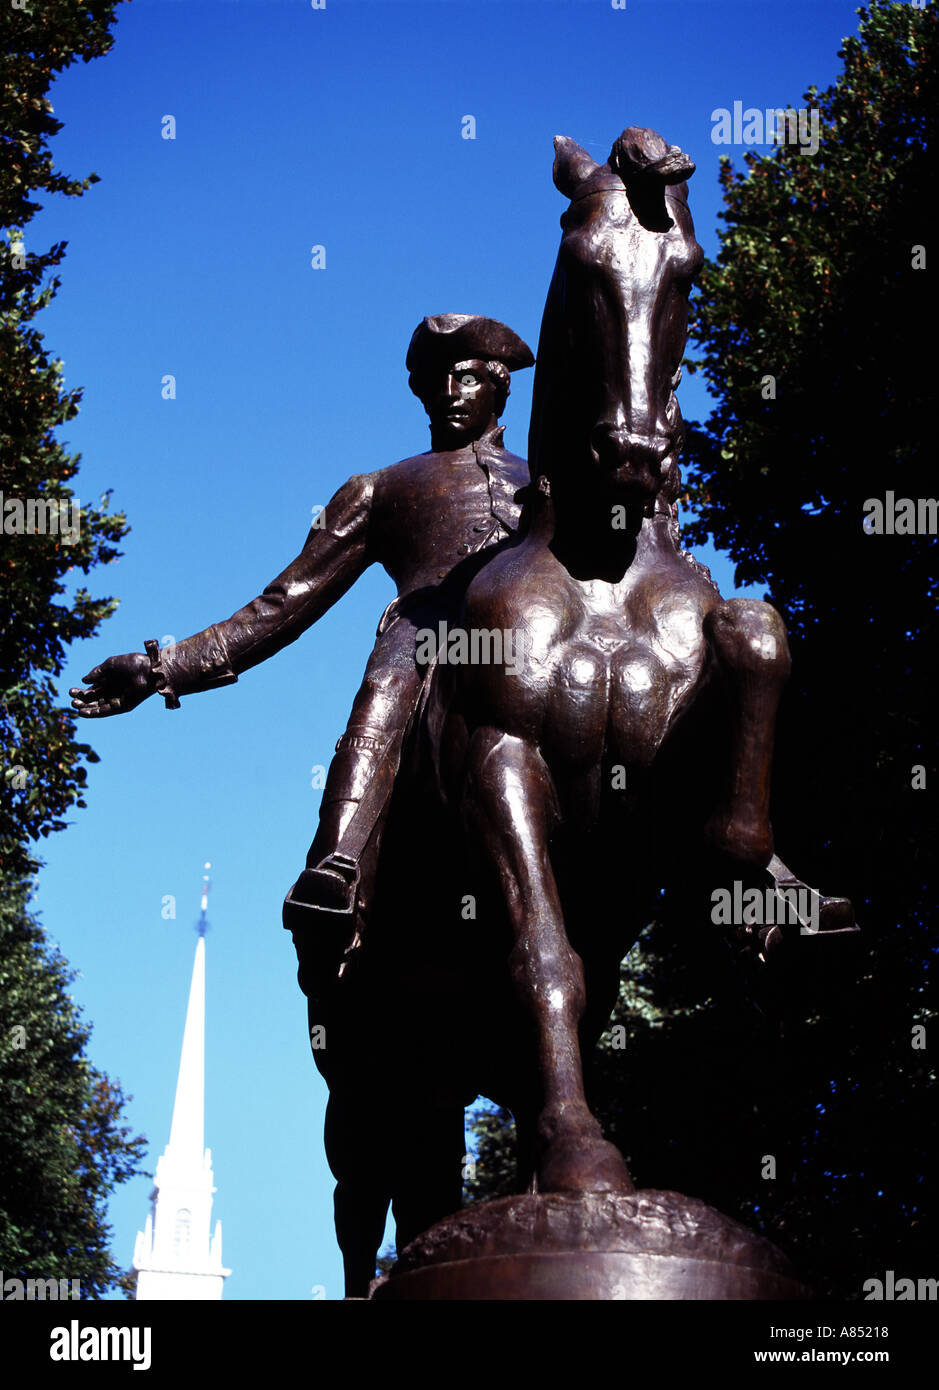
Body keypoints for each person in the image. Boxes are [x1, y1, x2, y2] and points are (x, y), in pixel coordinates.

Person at [70, 313, 534, 994]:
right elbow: (283, 602)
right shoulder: (377, 490)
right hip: (429, 632)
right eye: (434, 381)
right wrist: (162, 666)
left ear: (498, 388)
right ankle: (339, 864)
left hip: (537, 643)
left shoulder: (550, 484)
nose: (447, 391)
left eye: (465, 376)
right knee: (389, 684)